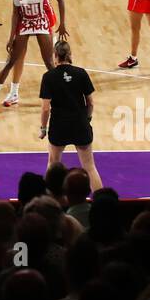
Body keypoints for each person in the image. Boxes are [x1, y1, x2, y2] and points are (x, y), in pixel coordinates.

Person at [0, 0, 68, 112]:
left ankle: (60, 97)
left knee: (49, 63)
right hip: (25, 24)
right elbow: (15, 13)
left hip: (40, 23)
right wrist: (11, 37)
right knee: (10, 62)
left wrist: (62, 24)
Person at [39, 40, 102, 190]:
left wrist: (43, 128)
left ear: (55, 56)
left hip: (59, 126)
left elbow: (45, 109)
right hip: (80, 124)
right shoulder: (81, 73)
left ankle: (50, 202)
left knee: (53, 166)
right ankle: (101, 201)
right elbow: (91, 103)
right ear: (70, 55)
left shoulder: (49, 77)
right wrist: (87, 119)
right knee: (90, 167)